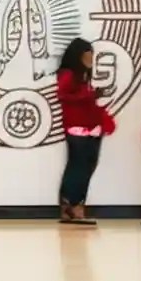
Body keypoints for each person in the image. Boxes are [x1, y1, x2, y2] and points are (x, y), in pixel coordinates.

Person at [56, 38, 110, 225]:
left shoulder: (85, 75)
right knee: (78, 167)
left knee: (87, 166)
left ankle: (76, 205)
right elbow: (63, 95)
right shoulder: (69, 74)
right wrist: (90, 95)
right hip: (77, 127)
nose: (92, 57)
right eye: (89, 54)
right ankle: (72, 205)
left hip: (91, 127)